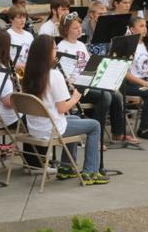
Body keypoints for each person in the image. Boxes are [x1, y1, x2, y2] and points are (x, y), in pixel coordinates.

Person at [21, 35, 108, 184]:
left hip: (35, 127)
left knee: (75, 119)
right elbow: (62, 108)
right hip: (51, 129)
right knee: (95, 125)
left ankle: (66, 168)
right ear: (47, 52)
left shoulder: (28, 74)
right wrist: (75, 97)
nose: (57, 50)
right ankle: (90, 172)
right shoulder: (54, 75)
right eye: (55, 48)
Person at [58, 13, 136, 145]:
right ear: (66, 30)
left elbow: (90, 65)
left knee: (116, 94)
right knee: (105, 96)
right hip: (74, 88)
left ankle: (117, 133)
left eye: (79, 27)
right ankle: (95, 138)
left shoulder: (80, 45)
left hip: (87, 82)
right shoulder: (61, 46)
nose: (79, 30)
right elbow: (62, 74)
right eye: (75, 28)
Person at [5, 5, 34, 69]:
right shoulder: (7, 35)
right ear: (11, 19)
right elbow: (5, 58)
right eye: (19, 18)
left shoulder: (29, 35)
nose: (22, 20)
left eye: (24, 17)